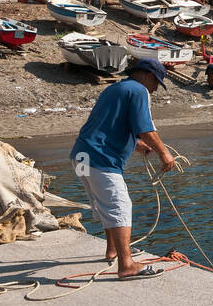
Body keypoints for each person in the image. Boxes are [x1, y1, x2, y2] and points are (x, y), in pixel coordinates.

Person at [71, 58, 177, 279]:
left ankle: (112, 250)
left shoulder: (115, 88)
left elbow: (108, 125)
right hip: (101, 159)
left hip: (81, 156)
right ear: (147, 75)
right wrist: (163, 153)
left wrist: (136, 145)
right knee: (120, 206)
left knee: (105, 205)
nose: (156, 88)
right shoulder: (139, 91)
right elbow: (145, 128)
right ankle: (126, 264)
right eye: (156, 82)